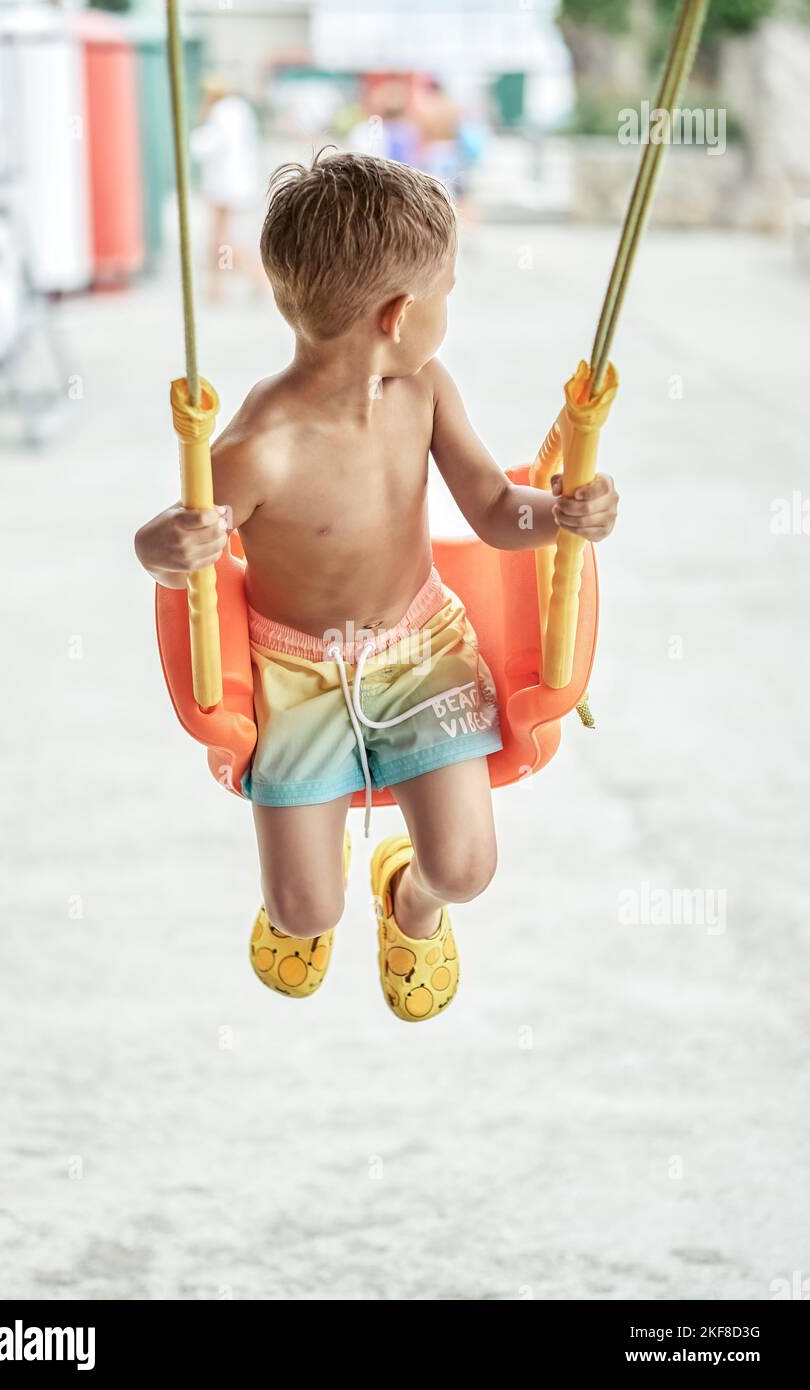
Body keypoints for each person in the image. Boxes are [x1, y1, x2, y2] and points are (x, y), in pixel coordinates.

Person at [134, 153, 619, 1023]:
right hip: (298, 676)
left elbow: (495, 510)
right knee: (302, 910)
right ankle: (314, 902)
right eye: (448, 293)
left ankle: (411, 897)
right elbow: (172, 547)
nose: (448, 312)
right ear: (399, 316)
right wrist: (168, 544)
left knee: (465, 869)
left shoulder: (424, 391)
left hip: (421, 650)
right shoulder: (257, 446)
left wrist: (559, 515)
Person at [190, 75, 264, 300]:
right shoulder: (240, 110)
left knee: (221, 241)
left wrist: (195, 139)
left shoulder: (221, 112)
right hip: (234, 183)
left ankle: (258, 277)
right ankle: (217, 287)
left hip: (223, 185)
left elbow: (208, 145)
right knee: (217, 239)